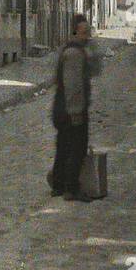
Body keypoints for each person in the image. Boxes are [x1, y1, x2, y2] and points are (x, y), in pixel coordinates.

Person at [49, 13, 92, 201]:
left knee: (63, 146)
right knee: (78, 148)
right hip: (71, 109)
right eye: (84, 32)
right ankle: (71, 188)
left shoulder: (70, 50)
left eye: (88, 31)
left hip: (61, 108)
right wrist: (76, 112)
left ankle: (57, 184)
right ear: (75, 33)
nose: (87, 36)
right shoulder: (74, 54)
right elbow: (73, 85)